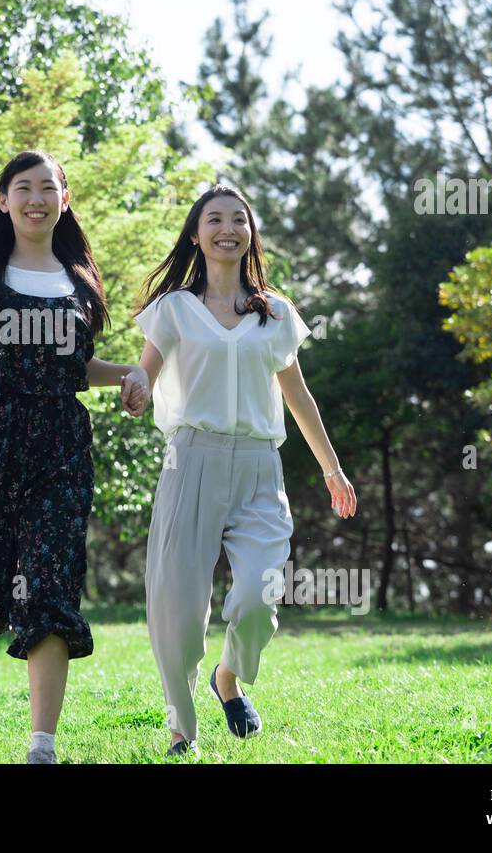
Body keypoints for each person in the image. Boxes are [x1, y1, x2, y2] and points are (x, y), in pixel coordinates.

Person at [0, 149, 146, 764]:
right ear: (3, 199)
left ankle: (41, 746)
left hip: (61, 449)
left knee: (49, 589)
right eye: (24, 188)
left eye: (48, 188)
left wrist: (137, 374)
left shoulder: (78, 281)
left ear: (64, 200)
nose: (36, 198)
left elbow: (75, 367)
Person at [122, 183, 357, 758]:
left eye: (238, 220)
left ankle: (228, 678)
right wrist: (135, 389)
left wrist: (332, 468)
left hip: (258, 468)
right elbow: (146, 373)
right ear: (197, 234)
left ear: (249, 233)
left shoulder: (275, 314)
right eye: (214, 219)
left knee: (257, 597)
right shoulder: (174, 309)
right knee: (176, 612)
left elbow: (298, 396)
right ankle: (182, 730)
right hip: (190, 462)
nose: (227, 228)